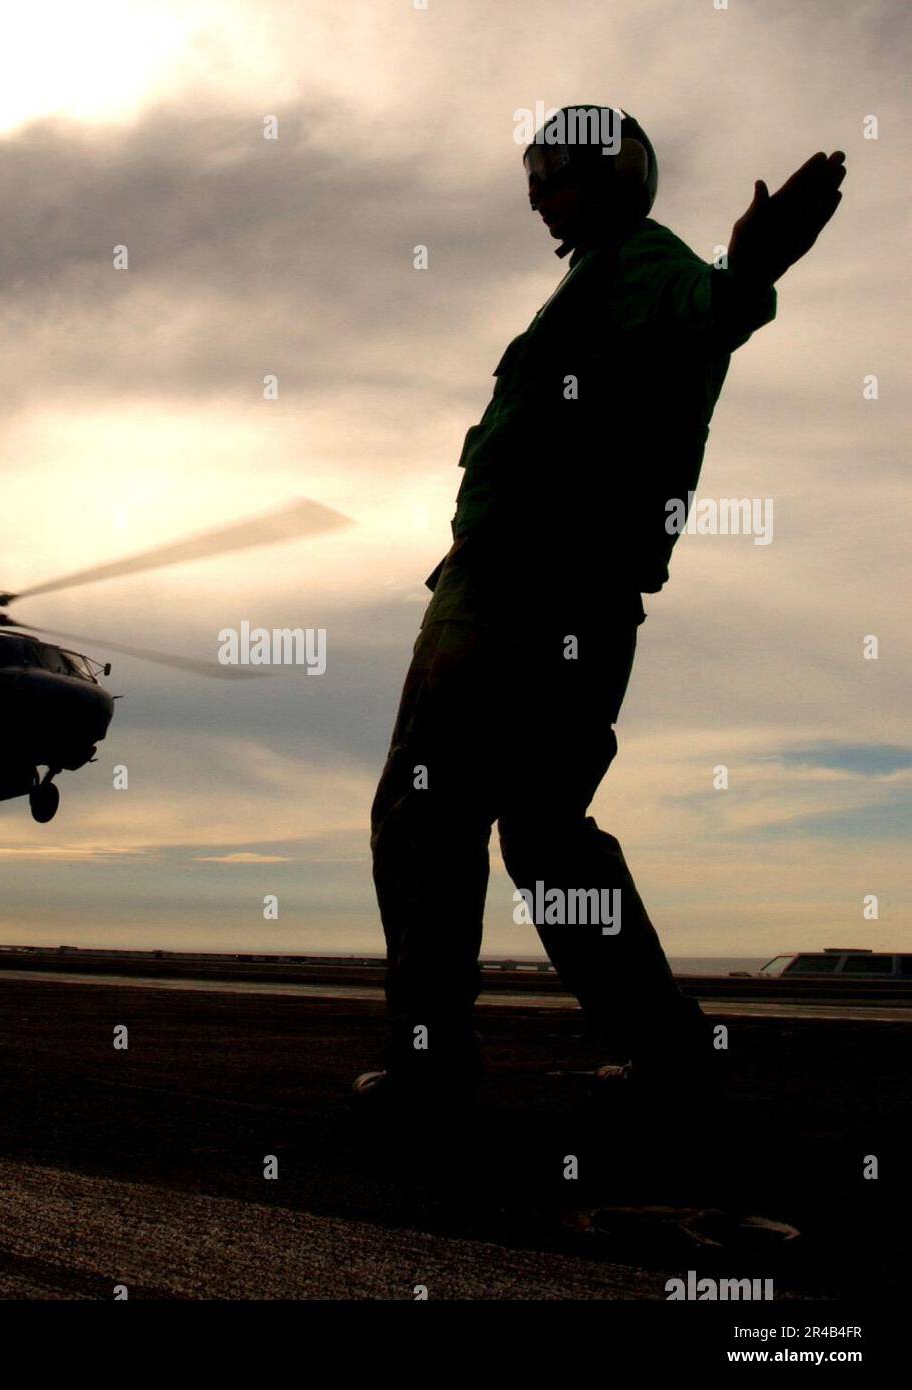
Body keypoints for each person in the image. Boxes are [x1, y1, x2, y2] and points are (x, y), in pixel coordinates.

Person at [357, 106, 845, 1110]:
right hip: (582, 602)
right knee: (543, 834)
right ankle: (666, 1053)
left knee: (424, 814)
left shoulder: (637, 269)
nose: (536, 192)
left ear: (616, 178)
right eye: (533, 172)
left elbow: (708, 315)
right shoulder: (589, 287)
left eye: (557, 173)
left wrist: (751, 273)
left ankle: (431, 1070)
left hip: (514, 591)